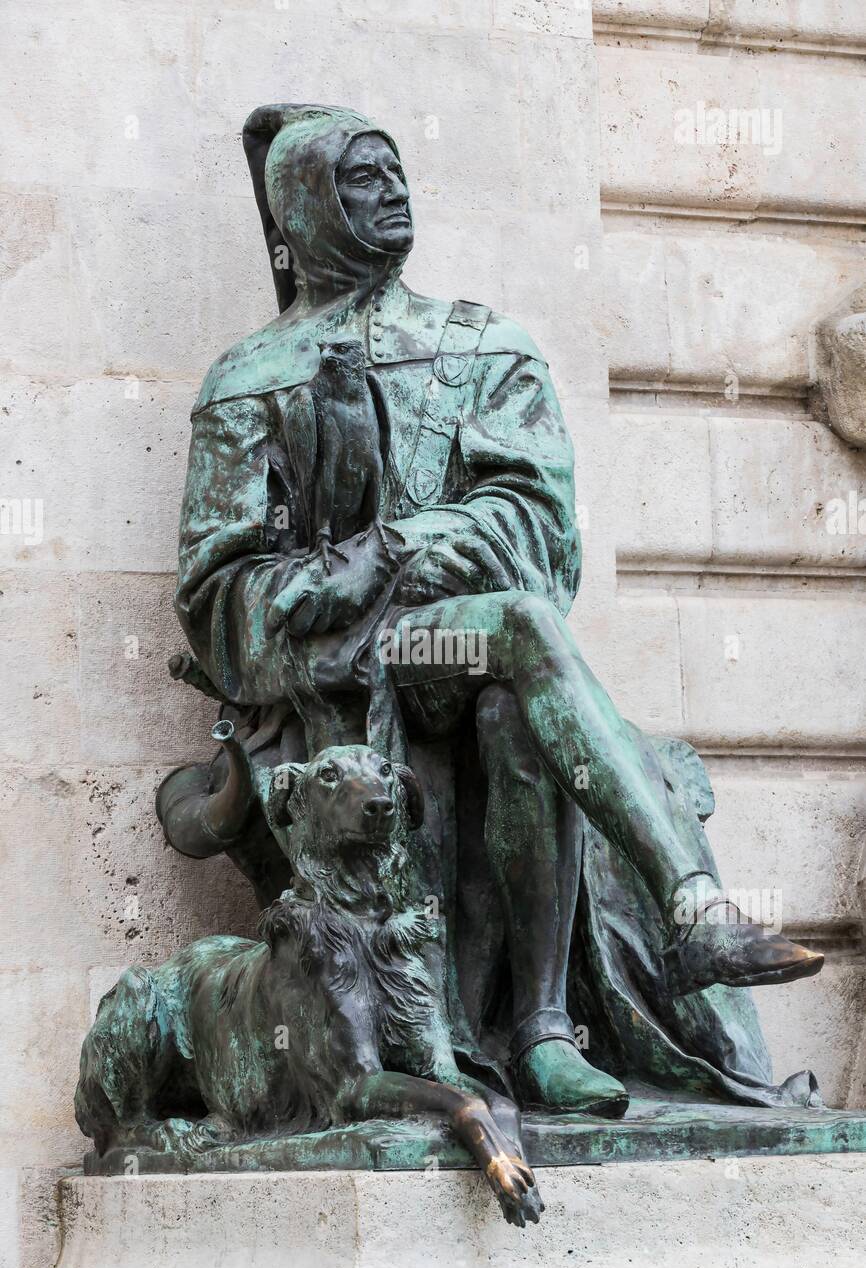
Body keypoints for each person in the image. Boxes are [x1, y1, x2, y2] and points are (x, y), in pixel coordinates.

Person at [175, 105, 822, 1115]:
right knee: (518, 633)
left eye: (395, 172)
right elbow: (217, 597)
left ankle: (543, 1027)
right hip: (348, 674)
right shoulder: (245, 378)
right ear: (300, 211)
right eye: (358, 179)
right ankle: (688, 908)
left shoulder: (483, 343)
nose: (391, 193)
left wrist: (391, 546)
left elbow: (538, 529)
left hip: (450, 635)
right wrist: (335, 585)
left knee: (516, 681)